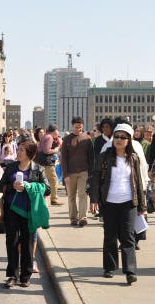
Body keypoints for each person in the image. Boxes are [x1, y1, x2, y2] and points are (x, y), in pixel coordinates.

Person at [90, 124, 146, 285]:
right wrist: (94, 199)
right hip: (109, 202)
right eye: (117, 136)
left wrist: (142, 207)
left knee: (128, 237)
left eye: (123, 137)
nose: (119, 140)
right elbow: (95, 179)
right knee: (110, 236)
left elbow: (138, 182)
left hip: (129, 203)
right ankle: (109, 267)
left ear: (129, 140)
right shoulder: (104, 156)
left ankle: (130, 271)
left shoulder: (133, 158)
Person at [0, 140, 50, 288]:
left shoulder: (38, 169)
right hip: (11, 210)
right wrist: (11, 186)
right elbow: (0, 186)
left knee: (28, 243)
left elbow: (47, 189)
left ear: (30, 153)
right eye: (19, 149)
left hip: (29, 212)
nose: (18, 152)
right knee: (12, 242)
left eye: (22, 150)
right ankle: (12, 276)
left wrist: (29, 186)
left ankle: (25, 276)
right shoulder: (11, 167)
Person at [61, 117, 93, 226]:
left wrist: (90, 173)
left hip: (84, 171)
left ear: (83, 126)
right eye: (76, 127)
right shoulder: (66, 139)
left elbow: (91, 157)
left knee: (82, 194)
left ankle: (83, 217)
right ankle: (73, 218)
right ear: (72, 126)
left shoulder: (87, 139)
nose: (78, 129)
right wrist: (65, 174)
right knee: (71, 196)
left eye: (80, 127)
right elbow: (63, 159)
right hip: (70, 173)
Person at [37, 124, 62, 206]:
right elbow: (46, 150)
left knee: (45, 180)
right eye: (57, 130)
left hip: (42, 161)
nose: (58, 132)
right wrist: (55, 150)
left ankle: (45, 198)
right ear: (54, 131)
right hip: (47, 162)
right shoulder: (49, 137)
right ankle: (54, 199)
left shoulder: (46, 136)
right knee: (54, 180)